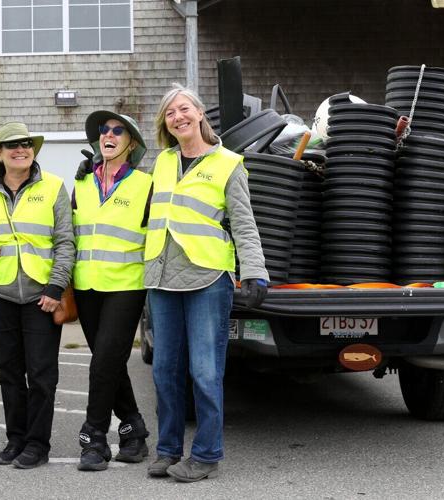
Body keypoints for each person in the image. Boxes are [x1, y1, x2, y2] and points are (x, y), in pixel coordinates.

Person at [145, 84, 269, 482]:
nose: (177, 117)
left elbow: (244, 224)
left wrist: (255, 272)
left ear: (200, 114)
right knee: (164, 370)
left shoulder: (228, 163)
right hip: (162, 277)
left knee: (204, 370)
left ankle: (207, 454)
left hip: (207, 277)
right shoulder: (162, 162)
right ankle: (167, 450)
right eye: (169, 114)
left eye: (183, 109)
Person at [0, 122, 74, 470]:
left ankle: (37, 444)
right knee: (11, 372)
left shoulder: (54, 187)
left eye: (26, 144)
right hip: (0, 293)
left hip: (41, 294)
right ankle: (16, 439)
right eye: (11, 145)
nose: (20, 149)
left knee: (41, 374)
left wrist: (56, 288)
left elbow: (65, 243)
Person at [71, 111, 153, 471]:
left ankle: (95, 438)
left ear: (131, 143)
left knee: (104, 360)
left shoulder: (145, 185)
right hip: (86, 284)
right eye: (104, 130)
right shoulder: (82, 184)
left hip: (126, 285)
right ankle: (133, 430)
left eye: (118, 131)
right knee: (111, 363)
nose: (109, 134)